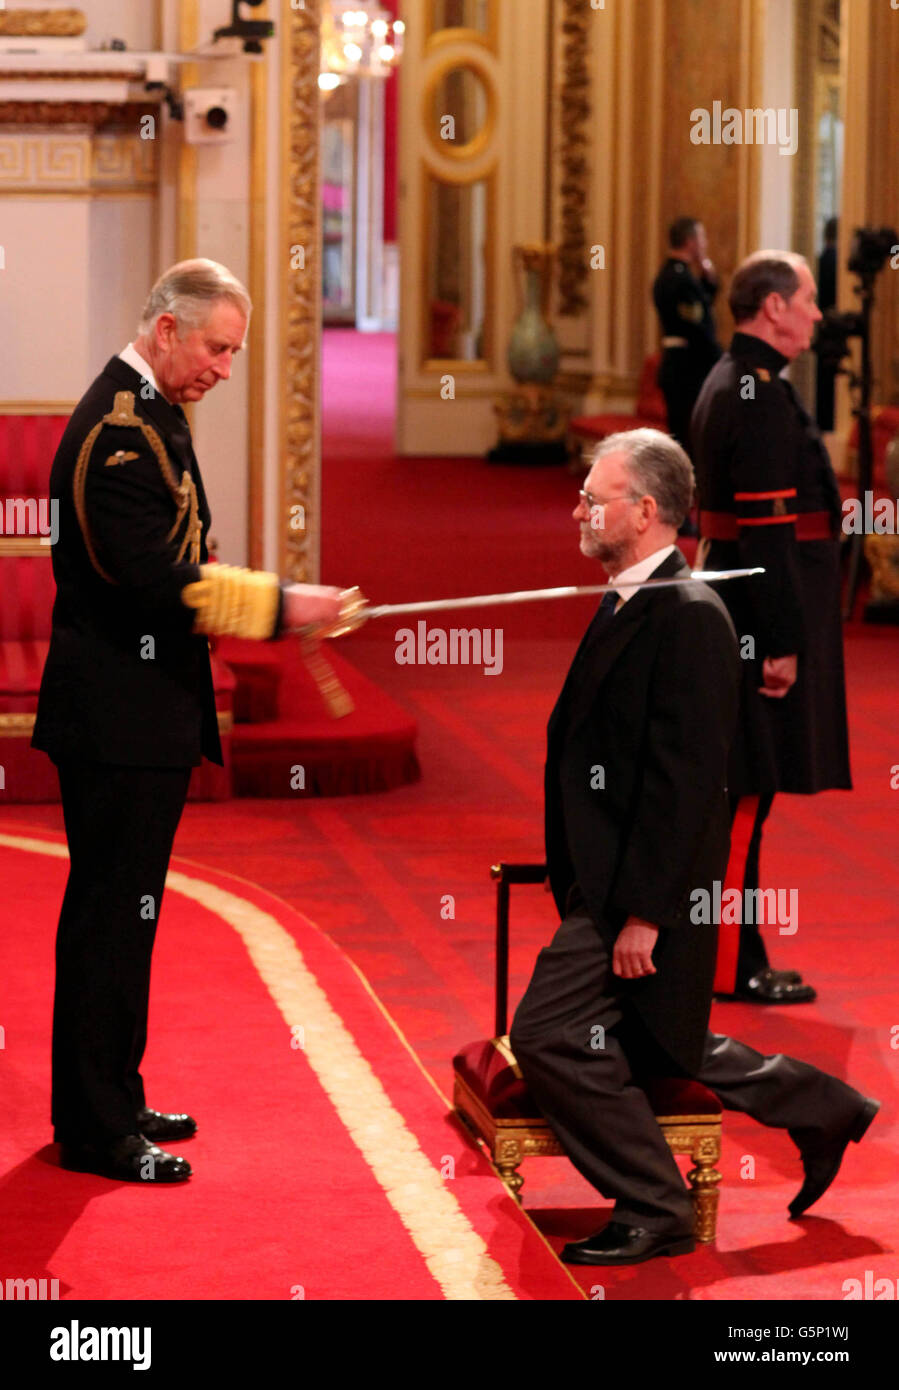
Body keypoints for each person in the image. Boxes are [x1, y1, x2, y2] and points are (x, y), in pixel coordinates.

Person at [509, 429, 877, 1266]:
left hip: (632, 896)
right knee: (652, 1040)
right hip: (599, 882)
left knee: (548, 1036)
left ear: (643, 512)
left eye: (592, 496)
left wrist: (644, 913)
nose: (577, 507)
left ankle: (656, 1202)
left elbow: (686, 790)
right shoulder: (632, 596)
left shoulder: (689, 619)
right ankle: (821, 1107)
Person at [33, 259, 345, 1184]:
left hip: (138, 710)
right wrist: (284, 604)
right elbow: (157, 585)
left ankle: (113, 1096)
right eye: (217, 347)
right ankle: (92, 1129)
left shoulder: (154, 411)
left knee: (128, 918)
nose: (222, 367)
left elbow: (182, 546)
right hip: (116, 719)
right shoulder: (122, 433)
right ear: (166, 329)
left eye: (235, 353)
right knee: (108, 923)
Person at [691, 250, 850, 1005]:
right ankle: (729, 962)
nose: (818, 315)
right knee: (743, 796)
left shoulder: (746, 382)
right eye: (809, 300)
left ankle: (735, 952)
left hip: (744, 607)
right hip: (756, 617)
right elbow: (764, 530)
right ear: (773, 308)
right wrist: (779, 640)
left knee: (745, 796)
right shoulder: (753, 393)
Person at [651, 217, 722, 458]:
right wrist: (722, 359)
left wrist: (708, 279)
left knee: (685, 437)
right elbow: (697, 328)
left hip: (682, 367)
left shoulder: (676, 275)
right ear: (691, 242)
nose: (705, 243)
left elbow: (698, 310)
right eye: (702, 237)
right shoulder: (679, 279)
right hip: (687, 370)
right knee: (686, 440)